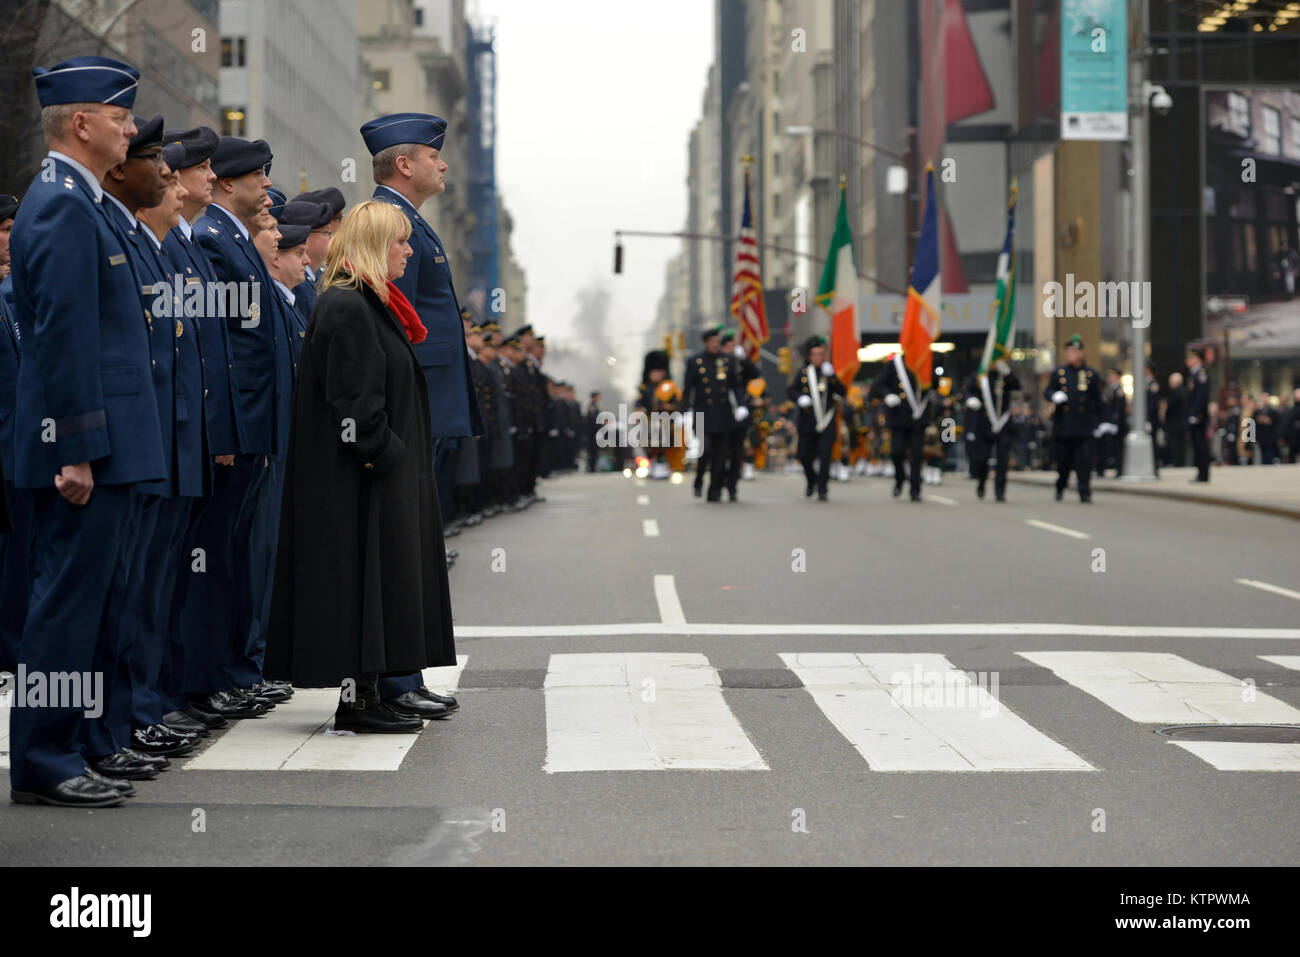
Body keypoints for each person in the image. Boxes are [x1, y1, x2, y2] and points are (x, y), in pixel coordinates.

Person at [9, 56, 164, 807]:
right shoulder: (61, 205)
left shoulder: (86, 202)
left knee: (99, 606)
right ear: (81, 123)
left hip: (109, 444)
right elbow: (63, 338)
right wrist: (74, 449)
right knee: (65, 611)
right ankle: (44, 758)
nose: (130, 131)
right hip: (82, 449)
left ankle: (86, 741)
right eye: (120, 118)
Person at [264, 200, 454, 731]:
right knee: (359, 590)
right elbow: (355, 405)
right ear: (374, 246)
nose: (408, 251)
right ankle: (359, 702)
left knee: (378, 590)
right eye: (400, 241)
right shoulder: (349, 306)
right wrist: (388, 455)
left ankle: (374, 694)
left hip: (375, 477)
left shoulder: (366, 301)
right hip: (361, 479)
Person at [682, 326, 747, 502]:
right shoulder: (695, 361)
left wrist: (741, 405)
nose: (715, 345)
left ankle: (714, 490)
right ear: (705, 343)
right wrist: (683, 411)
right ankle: (698, 480)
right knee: (705, 450)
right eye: (712, 342)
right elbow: (688, 388)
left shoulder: (728, 360)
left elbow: (736, 386)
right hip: (702, 414)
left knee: (721, 455)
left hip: (723, 414)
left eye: (717, 342)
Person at [1044, 335, 1105, 503]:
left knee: (1085, 461)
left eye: (1073, 351)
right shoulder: (1060, 373)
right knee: (1064, 462)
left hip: (1084, 425)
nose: (1070, 354)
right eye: (1068, 351)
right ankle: (1061, 485)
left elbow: (1098, 400)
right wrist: (1054, 395)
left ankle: (1084, 491)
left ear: (1081, 353)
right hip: (1064, 426)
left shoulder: (1091, 374)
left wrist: (1104, 421)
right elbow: (1047, 391)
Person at [787, 336, 845, 501]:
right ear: (810, 356)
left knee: (825, 456)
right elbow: (791, 390)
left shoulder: (829, 373)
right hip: (807, 422)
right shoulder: (803, 373)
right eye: (815, 354)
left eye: (820, 354)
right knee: (804, 455)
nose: (817, 358)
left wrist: (832, 377)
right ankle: (811, 480)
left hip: (826, 422)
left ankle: (822, 488)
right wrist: (799, 398)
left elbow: (842, 392)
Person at [868, 351, 931, 501]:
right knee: (896, 452)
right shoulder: (895, 364)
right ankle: (900, 477)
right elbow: (877, 386)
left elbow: (934, 384)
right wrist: (887, 395)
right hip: (899, 417)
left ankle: (915, 489)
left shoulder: (926, 361)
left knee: (917, 455)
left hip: (917, 418)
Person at [961, 360, 1020, 501]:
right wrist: (970, 399)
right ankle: (981, 481)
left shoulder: (1004, 376)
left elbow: (1017, 386)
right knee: (982, 458)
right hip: (984, 423)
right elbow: (967, 392)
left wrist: (1008, 372)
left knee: (1003, 459)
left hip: (1003, 423)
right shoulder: (979, 375)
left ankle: (1000, 491)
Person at [720, 328, 761, 500]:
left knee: (737, 452)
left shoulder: (740, 362)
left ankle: (732, 485)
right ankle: (722, 478)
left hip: (741, 411)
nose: (731, 349)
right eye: (728, 346)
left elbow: (756, 374)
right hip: (723, 413)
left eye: (733, 346)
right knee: (723, 451)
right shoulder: (719, 362)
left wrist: (744, 359)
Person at [1185, 347, 1211, 482]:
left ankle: (1203, 474)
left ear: (1197, 359)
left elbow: (1201, 396)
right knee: (1196, 445)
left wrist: (1196, 413)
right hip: (1193, 415)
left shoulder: (1201, 373)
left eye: (1191, 358)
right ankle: (1200, 472)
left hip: (1199, 416)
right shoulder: (1193, 374)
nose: (1188, 361)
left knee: (1201, 445)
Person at [1165, 371, 1187, 468]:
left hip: (1175, 423)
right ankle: (1181, 461)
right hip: (1182, 422)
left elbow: (1171, 407)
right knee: (1181, 444)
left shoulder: (1176, 393)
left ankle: (1177, 461)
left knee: (1175, 444)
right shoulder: (1185, 391)